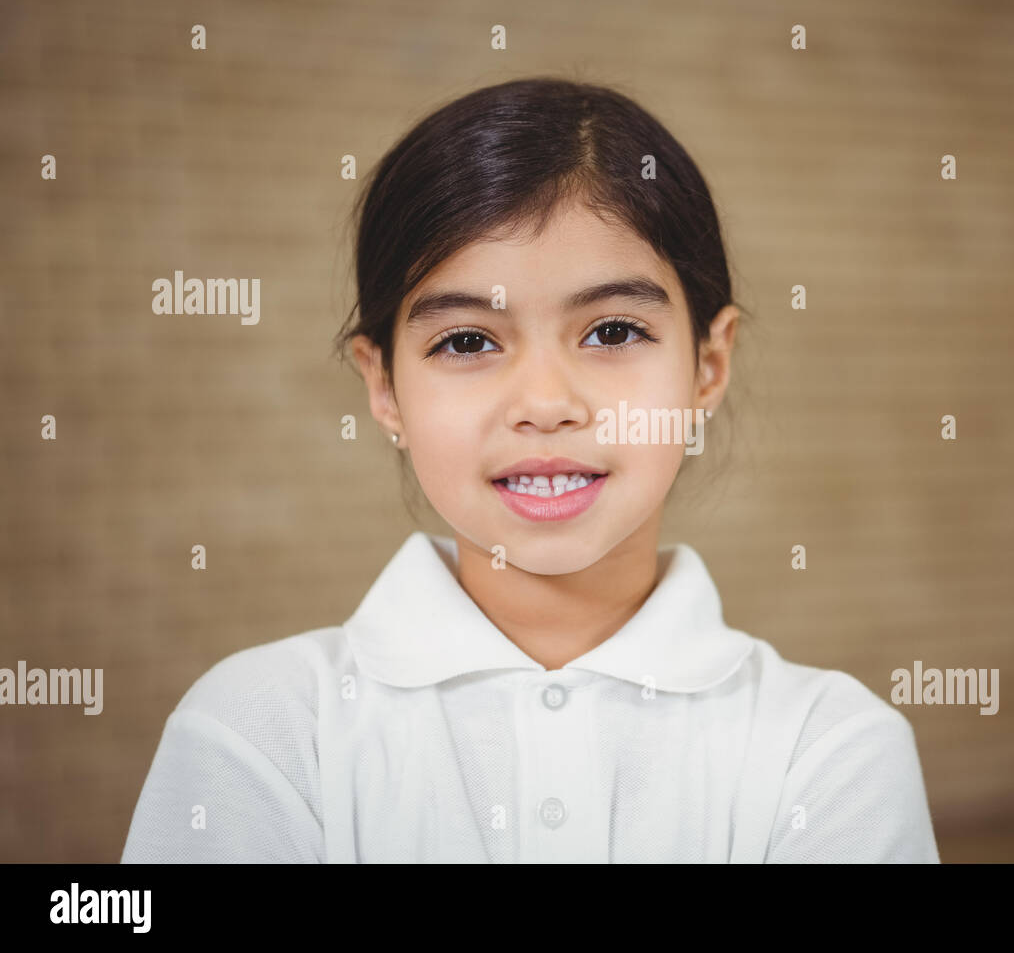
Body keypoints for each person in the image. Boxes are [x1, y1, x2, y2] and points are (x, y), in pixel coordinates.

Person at [121, 77, 940, 863]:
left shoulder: (830, 753)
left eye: (613, 332)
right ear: (384, 387)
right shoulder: (261, 733)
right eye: (467, 341)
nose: (545, 404)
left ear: (708, 366)